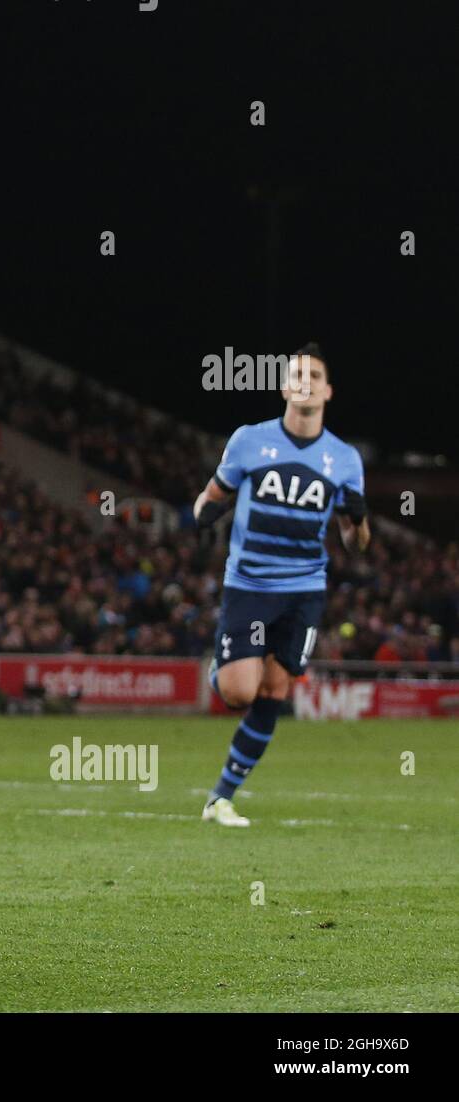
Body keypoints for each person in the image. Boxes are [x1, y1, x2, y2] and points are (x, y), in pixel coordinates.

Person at [193, 343, 370, 826]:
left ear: (328, 390)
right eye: (297, 374)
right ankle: (224, 666)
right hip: (250, 583)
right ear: (284, 386)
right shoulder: (249, 441)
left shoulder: (345, 459)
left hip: (305, 588)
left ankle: (221, 798)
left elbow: (356, 542)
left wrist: (357, 521)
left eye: (315, 373)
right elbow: (209, 498)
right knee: (239, 694)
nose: (306, 380)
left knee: (275, 691)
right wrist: (205, 514)